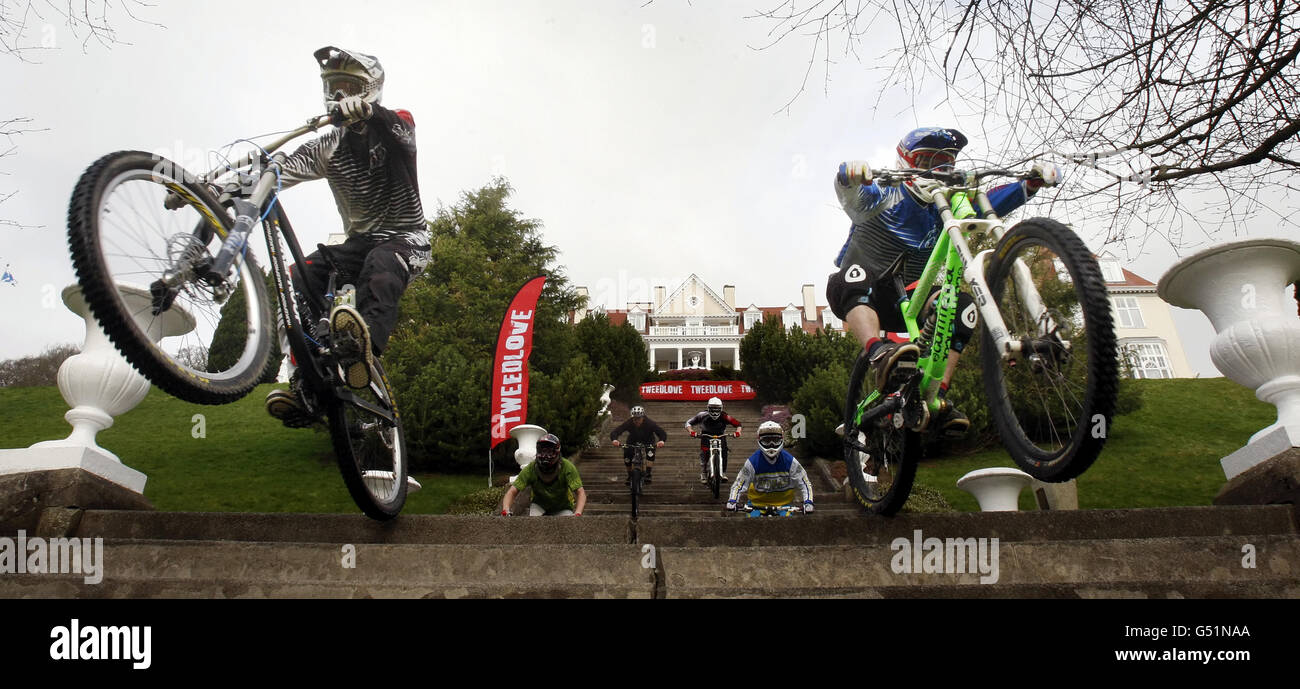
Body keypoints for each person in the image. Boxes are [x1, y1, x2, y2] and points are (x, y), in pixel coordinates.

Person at [826, 127, 1060, 438]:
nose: (937, 171)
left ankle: (935, 397)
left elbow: (988, 204)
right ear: (904, 163)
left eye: (945, 163)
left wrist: (1027, 185)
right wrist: (849, 175)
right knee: (854, 274)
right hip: (861, 294)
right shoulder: (883, 194)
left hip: (910, 297)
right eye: (926, 160)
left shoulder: (945, 206)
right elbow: (851, 196)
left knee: (963, 307)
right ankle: (878, 354)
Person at [266, 46, 432, 427]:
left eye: (350, 87)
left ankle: (364, 346)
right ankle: (305, 381)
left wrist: (370, 113)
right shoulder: (326, 145)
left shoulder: (395, 125)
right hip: (357, 246)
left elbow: (401, 130)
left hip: (408, 239)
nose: (340, 96)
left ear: (370, 89)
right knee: (297, 274)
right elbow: (280, 171)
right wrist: (222, 186)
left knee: (381, 263)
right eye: (334, 87)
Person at [726, 421, 814, 513]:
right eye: (767, 441)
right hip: (757, 505)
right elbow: (739, 483)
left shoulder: (790, 461)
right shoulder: (752, 462)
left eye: (775, 440)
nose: (771, 444)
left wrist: (808, 502)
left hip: (784, 505)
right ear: (759, 440)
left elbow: (804, 482)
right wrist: (733, 501)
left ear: (781, 439)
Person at [500, 433, 587, 517]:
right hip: (539, 505)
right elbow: (512, 491)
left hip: (562, 507)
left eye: (549, 451)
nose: (546, 455)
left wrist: (578, 513)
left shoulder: (567, 467)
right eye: (543, 450)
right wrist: (506, 510)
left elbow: (580, 492)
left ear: (557, 452)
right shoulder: (531, 469)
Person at [684, 396, 742, 484]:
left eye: (717, 409)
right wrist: (691, 431)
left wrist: (738, 432)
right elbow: (688, 423)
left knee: (724, 452)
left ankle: (723, 472)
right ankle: (703, 473)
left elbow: (738, 424)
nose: (715, 412)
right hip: (706, 435)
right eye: (712, 409)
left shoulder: (725, 416)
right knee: (704, 453)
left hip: (721, 435)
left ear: (721, 409)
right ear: (708, 408)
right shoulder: (702, 415)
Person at [609, 405, 668, 486]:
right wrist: (614, 439)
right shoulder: (629, 422)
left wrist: (661, 441)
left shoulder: (649, 423)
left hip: (648, 439)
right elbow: (616, 431)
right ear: (632, 418)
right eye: (635, 419)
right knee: (627, 453)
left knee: (650, 452)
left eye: (639, 418)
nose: (637, 421)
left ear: (643, 417)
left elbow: (662, 433)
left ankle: (648, 473)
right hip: (633, 439)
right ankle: (629, 475)